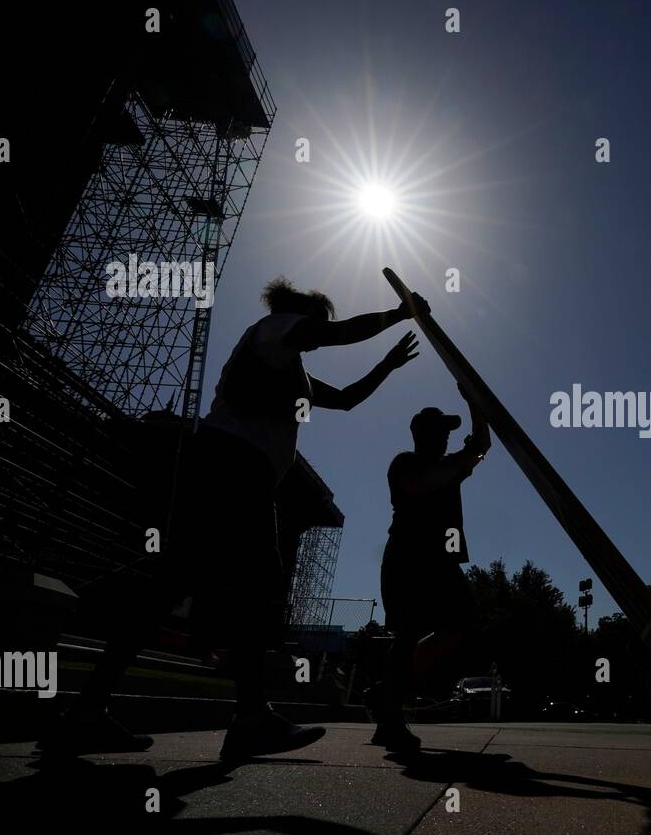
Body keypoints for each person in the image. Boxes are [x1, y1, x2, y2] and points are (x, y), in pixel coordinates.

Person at [39, 276, 425, 760]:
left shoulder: (291, 369)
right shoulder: (274, 329)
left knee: (177, 583)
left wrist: (387, 364)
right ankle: (250, 719)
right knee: (258, 585)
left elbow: (346, 399)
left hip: (227, 469)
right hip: (235, 467)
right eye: (316, 325)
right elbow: (338, 333)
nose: (315, 337)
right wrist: (399, 313)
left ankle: (89, 711)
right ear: (301, 313)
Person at [368, 382, 491, 751]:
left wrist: (475, 404)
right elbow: (422, 484)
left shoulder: (450, 467)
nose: (447, 438)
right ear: (424, 435)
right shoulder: (405, 463)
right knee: (407, 634)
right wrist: (463, 457)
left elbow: (481, 446)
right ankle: (389, 722)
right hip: (408, 558)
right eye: (442, 432)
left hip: (442, 563)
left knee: (459, 626)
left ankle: (386, 692)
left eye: (448, 433)